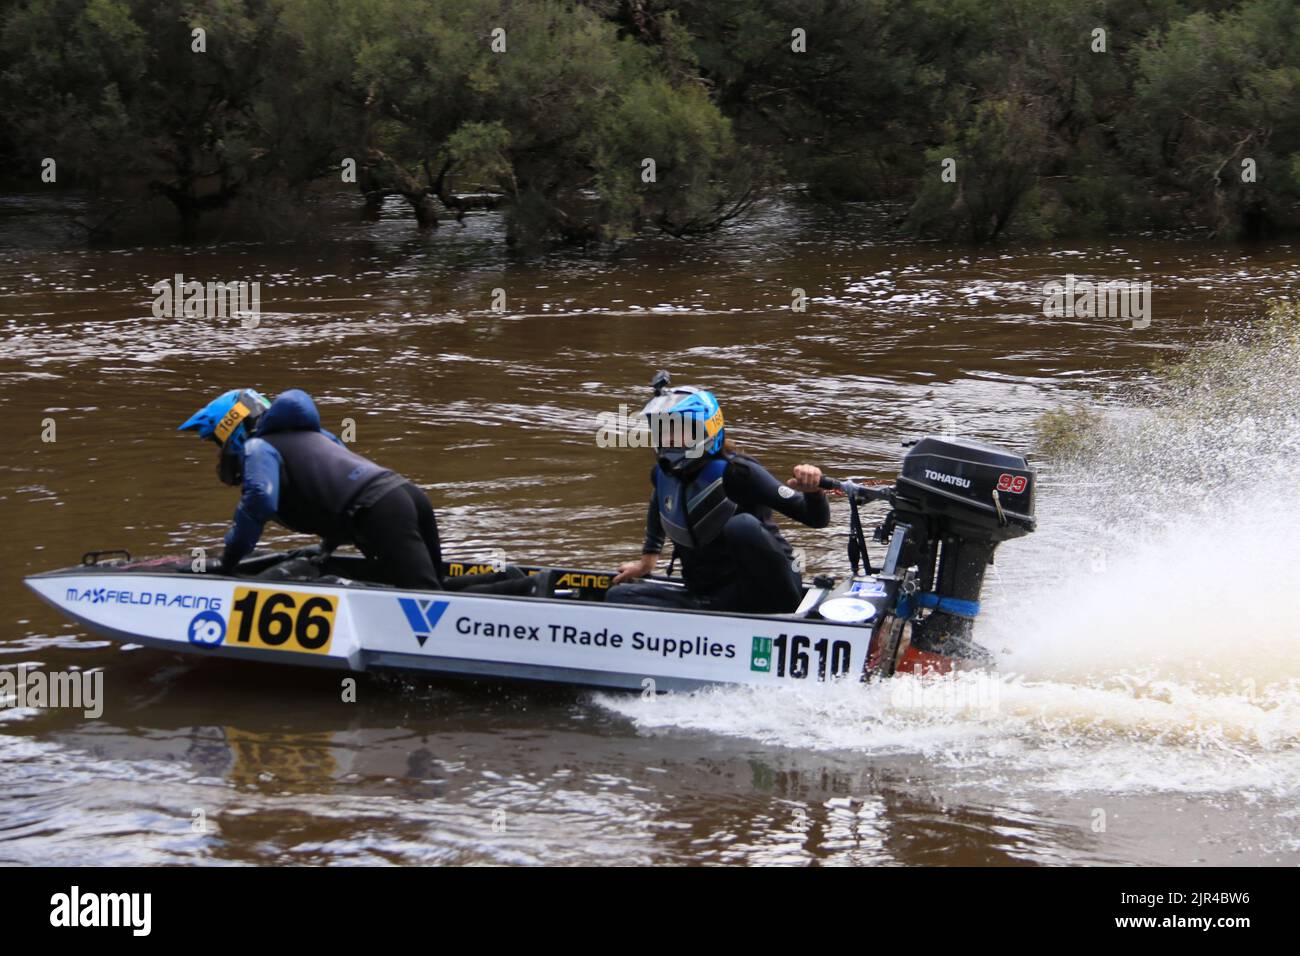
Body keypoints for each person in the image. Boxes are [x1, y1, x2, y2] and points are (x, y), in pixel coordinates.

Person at [179, 387, 529, 593]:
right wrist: (324, 548)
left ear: (232, 428)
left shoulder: (260, 448)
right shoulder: (315, 436)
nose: (219, 451)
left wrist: (228, 562)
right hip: (406, 496)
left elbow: (259, 500)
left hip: (380, 511)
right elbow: (335, 490)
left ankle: (522, 589)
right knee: (425, 584)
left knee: (425, 599)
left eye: (216, 442)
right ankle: (503, 578)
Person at [606, 375, 830, 614]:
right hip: (711, 595)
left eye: (679, 429)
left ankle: (779, 617)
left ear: (707, 431)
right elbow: (659, 503)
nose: (669, 437)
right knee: (618, 595)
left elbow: (815, 519)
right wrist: (646, 562)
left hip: (768, 591)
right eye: (663, 429)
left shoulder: (739, 472)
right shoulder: (663, 474)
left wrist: (814, 492)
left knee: (741, 525)